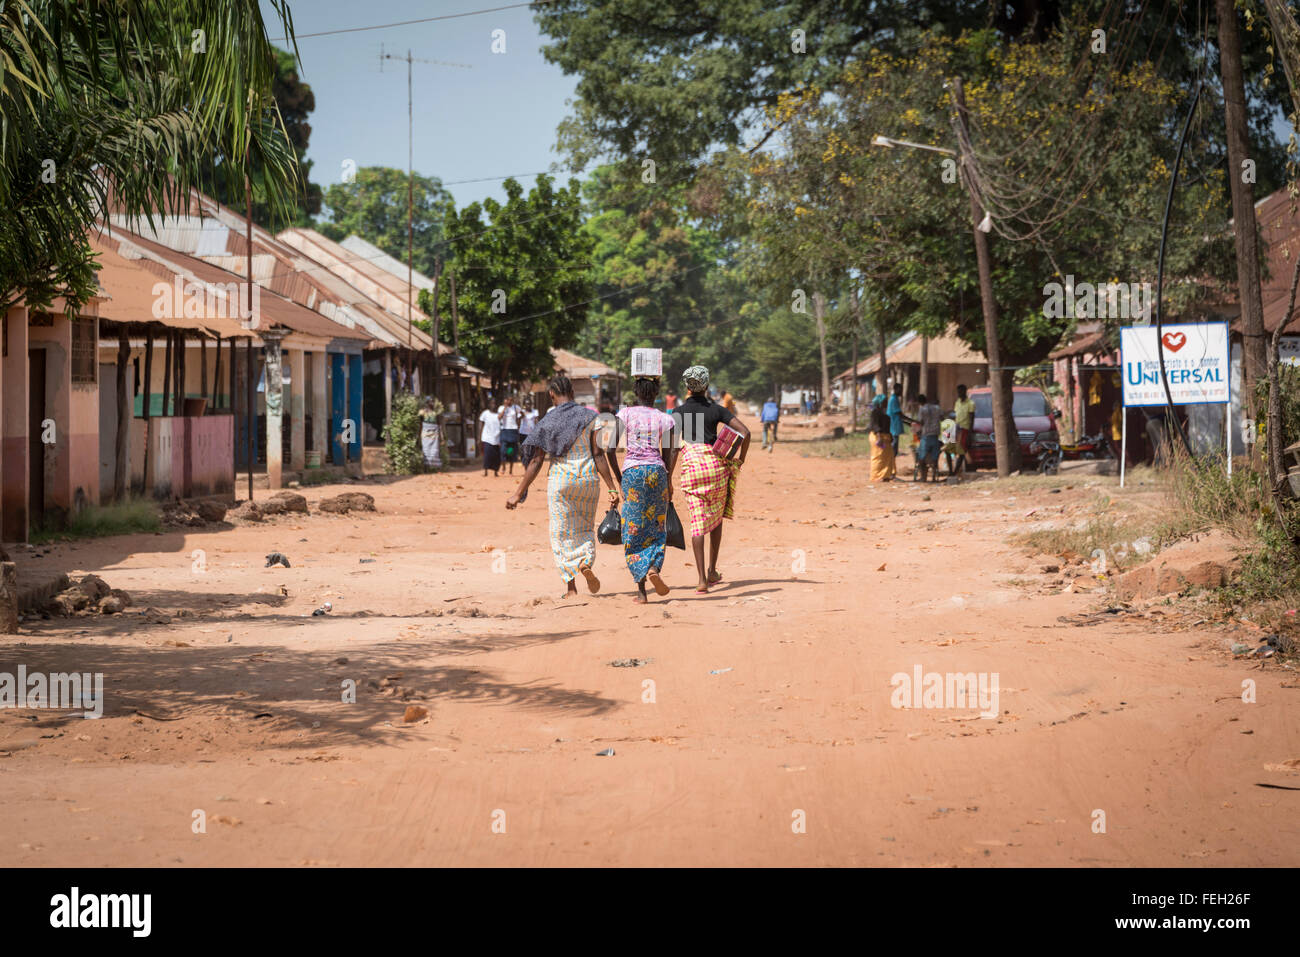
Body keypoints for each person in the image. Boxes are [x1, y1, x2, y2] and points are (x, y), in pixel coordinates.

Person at [507, 375, 621, 598]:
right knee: (584, 527)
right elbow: (598, 455)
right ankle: (585, 563)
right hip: (588, 479)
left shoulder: (549, 421)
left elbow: (537, 460)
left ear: (551, 395)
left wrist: (518, 492)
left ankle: (571, 587)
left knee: (560, 532)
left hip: (561, 480)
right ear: (573, 392)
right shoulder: (591, 417)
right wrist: (612, 487)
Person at [673, 365, 750, 594]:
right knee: (715, 519)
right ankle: (712, 570)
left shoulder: (678, 413)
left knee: (697, 524)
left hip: (692, 468)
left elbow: (672, 448)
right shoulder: (716, 410)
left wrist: (668, 475)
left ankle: (701, 580)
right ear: (706, 385)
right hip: (716, 467)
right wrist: (740, 460)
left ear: (687, 387)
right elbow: (745, 432)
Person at [603, 376, 679, 603]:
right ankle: (654, 567)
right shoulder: (665, 419)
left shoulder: (624, 414)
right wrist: (669, 478)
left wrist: (619, 478)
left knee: (633, 529)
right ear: (656, 394)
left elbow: (609, 449)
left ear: (635, 394)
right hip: (657, 472)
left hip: (632, 473)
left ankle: (642, 591)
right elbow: (670, 452)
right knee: (657, 525)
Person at [914, 393, 942, 482]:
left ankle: (924, 477)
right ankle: (934, 477)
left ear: (920, 402)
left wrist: (917, 430)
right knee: (934, 457)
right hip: (935, 436)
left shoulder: (922, 409)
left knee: (921, 458)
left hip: (926, 436)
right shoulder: (937, 408)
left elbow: (920, 422)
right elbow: (942, 418)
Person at [869, 394, 895, 482]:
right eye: (885, 402)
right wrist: (880, 438)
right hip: (878, 437)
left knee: (886, 457)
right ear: (880, 402)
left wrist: (890, 435)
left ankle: (885, 475)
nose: (886, 403)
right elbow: (875, 425)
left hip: (886, 438)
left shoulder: (883, 412)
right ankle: (877, 476)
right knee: (878, 457)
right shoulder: (875, 412)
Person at [952, 384, 975, 476]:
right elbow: (955, 416)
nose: (959, 393)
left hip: (965, 429)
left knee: (962, 451)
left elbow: (972, 418)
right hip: (957, 429)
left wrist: (970, 432)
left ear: (964, 391)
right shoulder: (957, 402)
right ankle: (956, 470)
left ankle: (955, 471)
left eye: (960, 391)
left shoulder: (971, 403)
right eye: (958, 391)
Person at [499, 395, 522, 475]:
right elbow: (499, 417)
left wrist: (518, 423)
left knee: (511, 452)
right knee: (503, 451)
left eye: (511, 400)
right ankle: (503, 467)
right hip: (505, 430)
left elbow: (522, 414)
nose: (509, 402)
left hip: (513, 431)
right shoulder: (501, 408)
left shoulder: (516, 407)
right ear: (505, 401)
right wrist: (505, 408)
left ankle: (511, 470)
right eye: (508, 400)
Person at [478, 403, 502, 477]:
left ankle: (495, 472)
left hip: (496, 438)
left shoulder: (498, 415)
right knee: (487, 455)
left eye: (495, 404)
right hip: (487, 437)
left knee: (496, 456)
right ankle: (486, 472)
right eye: (492, 404)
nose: (493, 405)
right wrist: (479, 437)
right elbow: (481, 424)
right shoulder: (485, 413)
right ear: (489, 405)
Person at [420, 398, 442, 471]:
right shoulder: (423, 412)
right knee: (427, 448)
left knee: (432, 449)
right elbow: (421, 422)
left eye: (432, 402)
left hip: (432, 433)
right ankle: (428, 467)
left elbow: (439, 424)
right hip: (427, 432)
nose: (432, 404)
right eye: (431, 402)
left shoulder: (434, 413)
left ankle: (432, 467)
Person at [887, 382, 905, 456]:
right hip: (893, 424)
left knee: (895, 442)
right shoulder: (893, 399)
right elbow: (899, 413)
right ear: (896, 389)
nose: (901, 391)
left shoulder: (895, 399)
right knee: (894, 443)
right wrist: (911, 421)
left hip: (894, 424)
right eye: (900, 390)